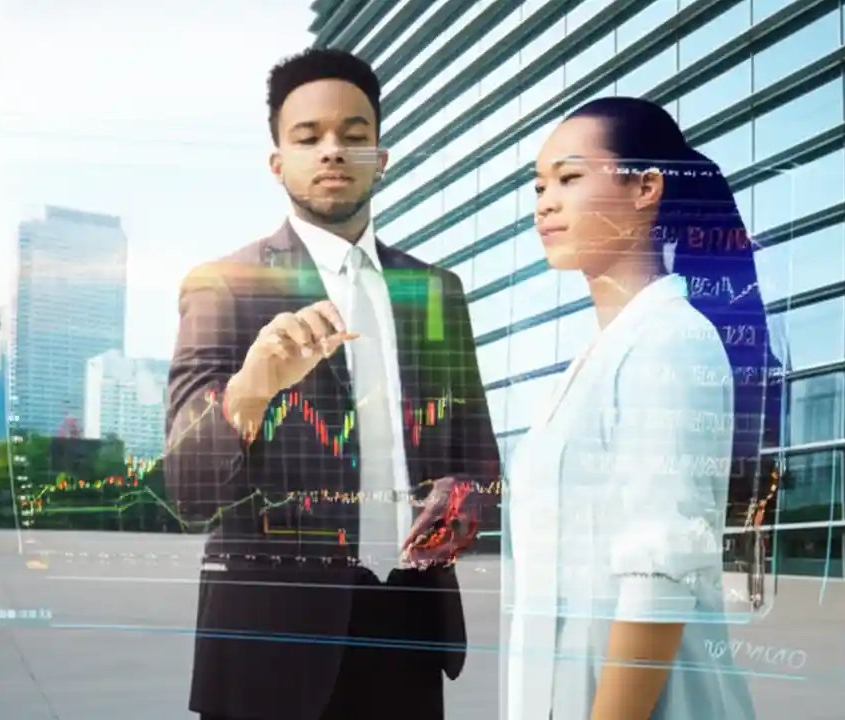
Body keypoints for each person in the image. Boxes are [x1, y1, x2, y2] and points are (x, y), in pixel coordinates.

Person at [163, 48, 500, 720]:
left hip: (406, 629)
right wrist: (251, 387)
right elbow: (187, 490)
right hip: (268, 643)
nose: (332, 151)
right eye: (308, 137)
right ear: (277, 161)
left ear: (382, 155)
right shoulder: (224, 285)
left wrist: (466, 497)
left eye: (354, 136)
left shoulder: (436, 292)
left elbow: (478, 457)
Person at [503, 95, 782, 720]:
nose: (545, 202)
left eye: (570, 178)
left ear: (646, 188)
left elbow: (660, 574)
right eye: (540, 185)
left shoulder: (670, 341)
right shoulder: (598, 357)